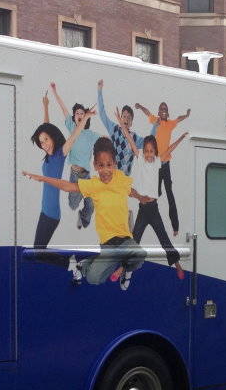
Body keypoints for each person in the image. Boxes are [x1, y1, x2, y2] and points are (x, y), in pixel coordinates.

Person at [23, 139, 145, 290]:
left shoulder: (121, 179)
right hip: (108, 245)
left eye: (109, 165)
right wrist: (43, 178)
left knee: (140, 254)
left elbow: (131, 190)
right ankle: (88, 264)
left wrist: (140, 197)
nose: (105, 170)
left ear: (114, 164)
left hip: (125, 240)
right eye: (101, 165)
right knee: (94, 279)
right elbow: (68, 187)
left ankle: (125, 270)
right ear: (95, 166)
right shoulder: (93, 185)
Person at [27, 92, 94, 274]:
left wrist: (85, 118)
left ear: (53, 139)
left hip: (51, 214)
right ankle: (70, 263)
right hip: (44, 211)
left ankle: (70, 264)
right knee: (37, 251)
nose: (44, 144)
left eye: (46, 141)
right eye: (41, 142)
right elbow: (46, 129)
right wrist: (46, 106)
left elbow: (73, 136)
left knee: (38, 253)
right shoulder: (48, 155)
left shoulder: (59, 155)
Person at [120, 125, 187, 280]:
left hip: (153, 209)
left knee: (164, 238)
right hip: (143, 209)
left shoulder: (157, 161)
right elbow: (131, 141)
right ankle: (122, 268)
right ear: (143, 151)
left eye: (151, 151)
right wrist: (122, 125)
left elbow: (169, 150)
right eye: (146, 151)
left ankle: (177, 264)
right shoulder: (140, 159)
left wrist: (181, 139)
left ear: (155, 152)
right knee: (135, 240)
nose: (149, 154)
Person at [135, 100, 190, 236]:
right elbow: (147, 113)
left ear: (167, 112)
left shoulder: (170, 124)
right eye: (161, 109)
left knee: (169, 193)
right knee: (156, 193)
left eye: (165, 109)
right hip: (156, 166)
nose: (163, 111)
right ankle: (148, 216)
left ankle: (175, 227)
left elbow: (179, 118)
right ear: (159, 112)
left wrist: (187, 115)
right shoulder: (156, 121)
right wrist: (140, 106)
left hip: (165, 164)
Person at [49, 82, 99, 229]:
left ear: (86, 117)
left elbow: (104, 140)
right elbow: (63, 108)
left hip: (86, 175)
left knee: (91, 205)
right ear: (74, 117)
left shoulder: (90, 134)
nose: (79, 115)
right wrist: (55, 91)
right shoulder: (71, 127)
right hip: (75, 175)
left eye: (82, 113)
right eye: (77, 113)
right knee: (73, 204)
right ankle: (80, 198)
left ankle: (83, 216)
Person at [95, 79, 142, 175]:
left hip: (124, 179)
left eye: (129, 118)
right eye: (124, 116)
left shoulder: (135, 138)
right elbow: (102, 114)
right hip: (111, 176)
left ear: (131, 123)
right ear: (120, 118)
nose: (126, 119)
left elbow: (149, 141)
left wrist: (156, 125)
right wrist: (99, 91)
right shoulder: (114, 129)